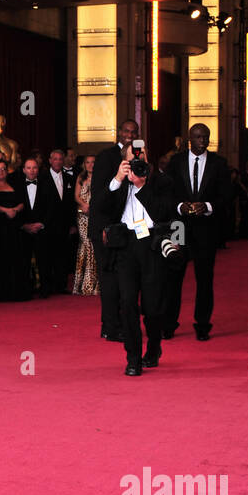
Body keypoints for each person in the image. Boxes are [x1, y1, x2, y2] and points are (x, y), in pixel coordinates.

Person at [99, 145, 177, 375]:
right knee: (128, 303)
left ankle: (153, 348)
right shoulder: (118, 183)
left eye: (140, 156)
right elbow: (101, 207)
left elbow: (164, 212)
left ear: (147, 157)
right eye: (132, 158)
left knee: (153, 306)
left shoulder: (161, 182)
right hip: (125, 246)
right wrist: (117, 179)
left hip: (152, 245)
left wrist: (142, 186)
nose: (136, 162)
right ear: (124, 161)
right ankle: (132, 357)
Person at [164, 124, 232, 341]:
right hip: (179, 226)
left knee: (205, 278)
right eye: (199, 137)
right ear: (189, 139)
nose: (203, 140)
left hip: (206, 228)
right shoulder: (175, 162)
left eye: (206, 137)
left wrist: (209, 206)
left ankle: (202, 325)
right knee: (174, 275)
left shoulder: (219, 164)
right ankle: (169, 323)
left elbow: (227, 196)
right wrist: (179, 206)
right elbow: (166, 193)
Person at [90, 119, 139, 341]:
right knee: (109, 280)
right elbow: (99, 198)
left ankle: (119, 323)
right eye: (126, 131)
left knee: (124, 281)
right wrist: (103, 229)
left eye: (134, 132)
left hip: (125, 231)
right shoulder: (105, 157)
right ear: (119, 132)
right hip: (105, 230)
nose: (129, 134)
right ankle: (110, 326)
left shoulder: (140, 158)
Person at [0, 158, 26, 301]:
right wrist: (6, 210)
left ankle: (14, 292)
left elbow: (22, 202)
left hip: (13, 228)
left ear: (7, 171)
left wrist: (15, 209)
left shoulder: (14, 184)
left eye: (3, 169)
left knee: (14, 257)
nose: (1, 171)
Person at [18, 155, 57, 299]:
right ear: (23, 170)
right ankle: (25, 290)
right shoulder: (17, 186)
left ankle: (45, 289)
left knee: (44, 260)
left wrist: (41, 224)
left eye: (34, 167)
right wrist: (25, 225)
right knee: (24, 261)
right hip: (24, 230)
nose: (32, 171)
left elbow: (52, 207)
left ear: (38, 169)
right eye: (29, 168)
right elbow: (16, 207)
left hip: (42, 229)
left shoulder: (47, 184)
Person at [43, 147, 77, 294]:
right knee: (47, 256)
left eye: (60, 159)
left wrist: (72, 224)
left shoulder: (70, 179)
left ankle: (61, 285)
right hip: (47, 224)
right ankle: (47, 286)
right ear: (50, 161)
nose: (57, 162)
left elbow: (71, 204)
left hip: (64, 225)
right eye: (55, 159)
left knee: (63, 255)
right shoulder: (42, 178)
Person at [72, 154, 99, 296]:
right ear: (84, 164)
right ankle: (83, 284)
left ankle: (92, 285)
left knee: (92, 246)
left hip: (95, 216)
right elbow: (76, 196)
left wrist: (93, 208)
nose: (90, 165)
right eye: (88, 162)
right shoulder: (80, 178)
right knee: (86, 244)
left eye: (93, 162)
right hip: (82, 216)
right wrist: (84, 204)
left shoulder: (101, 177)